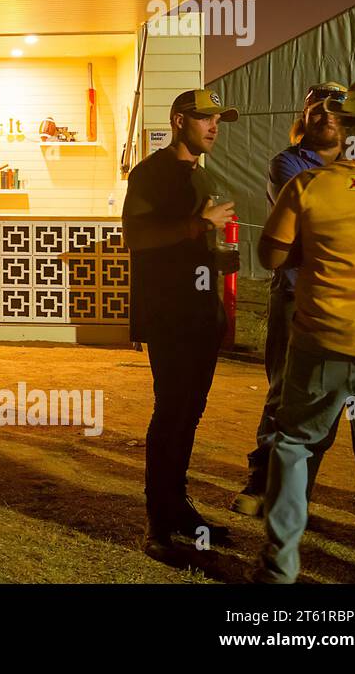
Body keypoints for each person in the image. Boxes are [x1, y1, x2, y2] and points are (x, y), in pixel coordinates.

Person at [255, 79, 355, 584]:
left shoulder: (310, 186)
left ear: (350, 129)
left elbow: (270, 255)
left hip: (323, 342)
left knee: (296, 446)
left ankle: (279, 570)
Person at [123, 89, 240, 561]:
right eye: (205, 118)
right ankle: (158, 520)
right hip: (169, 315)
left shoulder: (201, 173)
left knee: (189, 412)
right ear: (178, 121)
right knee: (170, 413)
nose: (214, 126)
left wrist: (216, 253)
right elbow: (136, 235)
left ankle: (178, 506)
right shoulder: (150, 173)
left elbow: (195, 238)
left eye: (218, 120)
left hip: (200, 314)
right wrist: (197, 226)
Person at [231, 81, 347, 516]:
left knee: (332, 398)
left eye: (333, 109)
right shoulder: (288, 163)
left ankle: (297, 493)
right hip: (297, 293)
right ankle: (261, 481)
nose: (324, 116)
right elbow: (316, 216)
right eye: (315, 109)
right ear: (304, 117)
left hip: (344, 299)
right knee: (284, 388)